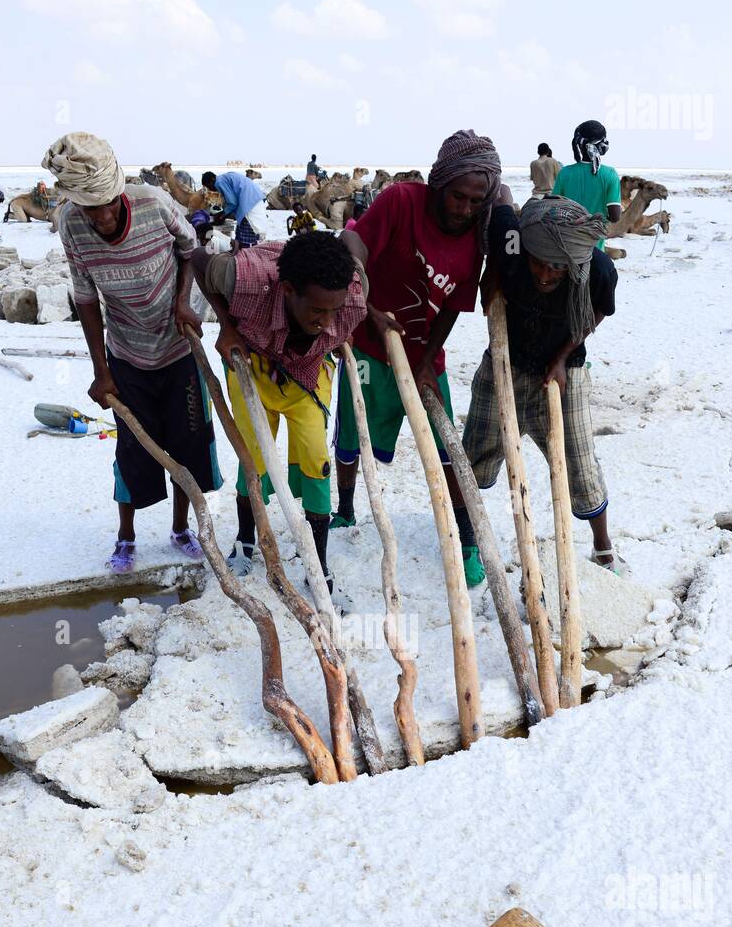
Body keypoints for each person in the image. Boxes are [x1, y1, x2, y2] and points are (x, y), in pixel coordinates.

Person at [335, 129, 510, 586]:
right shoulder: (399, 201)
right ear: (439, 183)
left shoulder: (477, 233)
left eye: (476, 200)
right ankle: (346, 509)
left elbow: (453, 305)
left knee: (449, 447)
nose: (464, 209)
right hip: (369, 344)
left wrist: (428, 360)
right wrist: (366, 307)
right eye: (457, 197)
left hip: (422, 353)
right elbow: (357, 245)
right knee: (352, 430)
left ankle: (467, 539)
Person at [46, 131, 221, 575]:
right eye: (91, 206)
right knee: (132, 450)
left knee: (188, 445)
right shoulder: (70, 224)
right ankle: (126, 537)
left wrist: (184, 301)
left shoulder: (153, 203)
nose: (102, 216)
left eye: (108, 202)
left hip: (180, 346)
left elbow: (189, 251)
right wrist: (101, 372)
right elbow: (85, 298)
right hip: (126, 353)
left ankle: (182, 530)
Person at [191, 231, 368, 609]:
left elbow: (352, 238)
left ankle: (317, 565)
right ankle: (245, 539)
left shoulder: (352, 294)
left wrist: (338, 312)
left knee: (316, 456)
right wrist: (226, 324)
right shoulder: (244, 279)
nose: (325, 321)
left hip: (309, 373)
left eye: (333, 311)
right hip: (252, 364)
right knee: (253, 454)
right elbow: (197, 259)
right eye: (317, 311)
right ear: (288, 290)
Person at [463, 195, 627, 574]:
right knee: (473, 456)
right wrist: (492, 276)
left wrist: (561, 358)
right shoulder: (513, 242)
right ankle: (467, 537)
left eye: (558, 268)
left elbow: (596, 312)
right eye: (539, 263)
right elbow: (501, 195)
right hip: (507, 362)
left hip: (564, 369)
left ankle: (603, 547)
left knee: (579, 460)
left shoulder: (598, 269)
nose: (546, 274)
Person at [551, 121, 621, 248]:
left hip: (567, 245)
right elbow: (615, 216)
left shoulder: (565, 173)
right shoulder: (610, 174)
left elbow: (554, 209)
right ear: (601, 144)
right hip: (595, 247)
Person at [208, 170, 268, 250]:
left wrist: (221, 214)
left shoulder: (219, 182)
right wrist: (224, 215)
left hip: (249, 204)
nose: (210, 189)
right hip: (254, 199)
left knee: (247, 236)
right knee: (242, 234)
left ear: (212, 179)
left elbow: (232, 203)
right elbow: (233, 201)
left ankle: (247, 256)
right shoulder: (225, 177)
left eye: (208, 185)